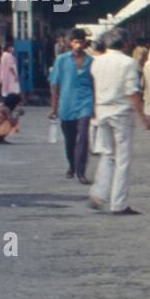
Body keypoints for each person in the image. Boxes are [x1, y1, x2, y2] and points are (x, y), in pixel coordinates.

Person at [88, 27, 150, 215]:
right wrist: (144, 118)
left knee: (107, 155)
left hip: (101, 112)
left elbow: (93, 87)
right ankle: (119, 204)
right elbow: (132, 92)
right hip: (121, 114)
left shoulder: (96, 62)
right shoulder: (128, 63)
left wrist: (94, 110)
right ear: (125, 43)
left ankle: (98, 194)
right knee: (123, 159)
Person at [48, 29, 96, 183]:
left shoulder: (91, 61)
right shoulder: (61, 60)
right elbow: (54, 85)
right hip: (66, 104)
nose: (78, 44)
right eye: (75, 41)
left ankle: (81, 172)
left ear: (85, 42)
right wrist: (54, 108)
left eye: (81, 41)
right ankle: (72, 165)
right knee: (70, 140)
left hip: (85, 102)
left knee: (83, 137)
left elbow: (95, 84)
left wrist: (96, 105)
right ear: (70, 43)